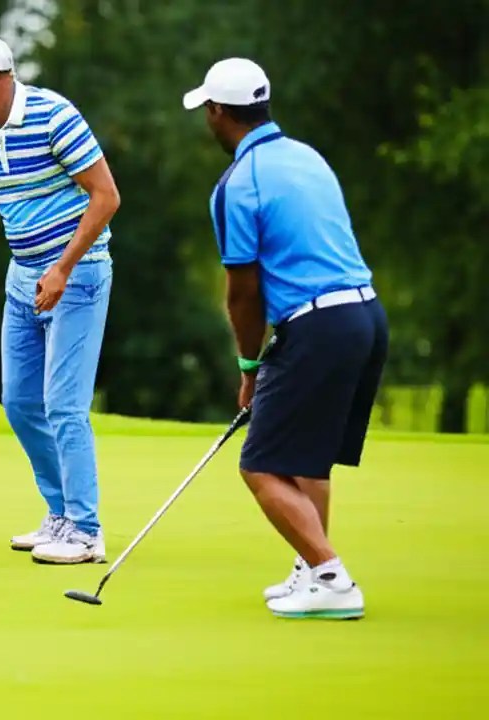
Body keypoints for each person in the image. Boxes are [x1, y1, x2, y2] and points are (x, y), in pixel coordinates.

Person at [183, 58, 388, 619]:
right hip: (365, 317)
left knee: (261, 465)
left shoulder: (236, 185)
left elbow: (243, 294)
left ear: (218, 112)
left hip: (318, 325)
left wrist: (250, 368)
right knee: (307, 460)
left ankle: (332, 578)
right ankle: (310, 568)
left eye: (208, 109)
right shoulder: (307, 156)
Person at [0, 34, 122, 564]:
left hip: (78, 276)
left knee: (64, 405)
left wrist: (63, 267)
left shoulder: (56, 117)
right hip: (21, 280)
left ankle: (86, 530)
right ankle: (59, 515)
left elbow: (106, 197)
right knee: (19, 403)